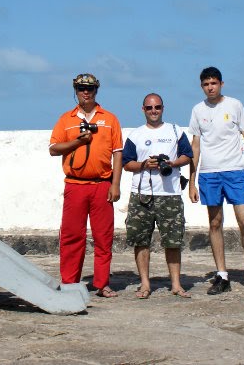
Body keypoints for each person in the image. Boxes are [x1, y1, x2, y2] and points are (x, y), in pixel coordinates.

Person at [188, 67, 244, 294]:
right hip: (209, 174)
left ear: (221, 84)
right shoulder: (197, 110)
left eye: (213, 83)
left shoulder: (235, 105)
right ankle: (222, 275)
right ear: (202, 86)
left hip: (236, 172)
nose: (210, 87)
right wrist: (192, 182)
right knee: (214, 223)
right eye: (206, 84)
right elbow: (195, 146)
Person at [49, 73, 123, 298]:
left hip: (102, 184)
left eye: (90, 88)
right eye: (81, 88)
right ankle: (70, 281)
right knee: (72, 235)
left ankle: (102, 284)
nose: (85, 92)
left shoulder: (109, 119)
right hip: (75, 185)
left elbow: (118, 154)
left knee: (103, 237)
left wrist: (115, 184)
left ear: (96, 91)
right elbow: (53, 148)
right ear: (76, 90)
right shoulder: (66, 119)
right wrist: (77, 142)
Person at [122, 93, 193, 299]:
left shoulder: (175, 131)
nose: (154, 111)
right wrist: (145, 164)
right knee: (141, 240)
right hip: (142, 194)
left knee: (173, 241)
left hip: (169, 194)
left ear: (163, 108)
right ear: (143, 109)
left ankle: (176, 284)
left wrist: (171, 163)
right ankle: (145, 284)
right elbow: (127, 164)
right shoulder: (135, 135)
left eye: (158, 107)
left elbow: (187, 156)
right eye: (150, 108)